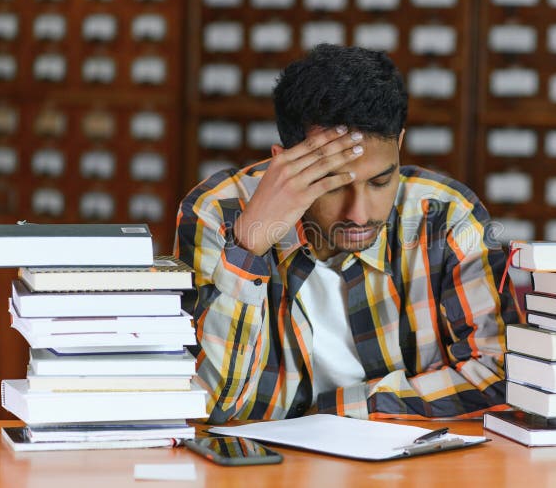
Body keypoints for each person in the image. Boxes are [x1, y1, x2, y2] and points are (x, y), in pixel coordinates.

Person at [175, 44, 518, 423]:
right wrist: (248, 249)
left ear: (400, 146)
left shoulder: (446, 217)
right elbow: (208, 405)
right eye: (334, 185)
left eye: (381, 181)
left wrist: (332, 412)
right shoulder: (218, 214)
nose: (359, 215)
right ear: (282, 163)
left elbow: (499, 376)